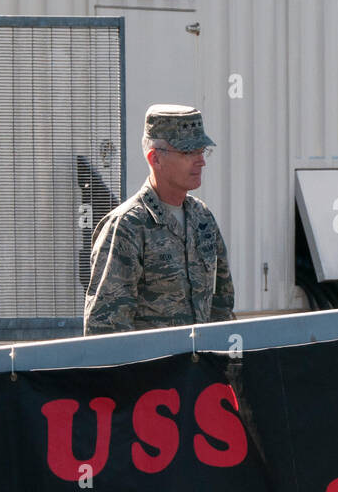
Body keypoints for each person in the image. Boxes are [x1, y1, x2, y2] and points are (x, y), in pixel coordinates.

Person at [84, 104, 234, 333]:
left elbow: (222, 305)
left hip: (200, 366)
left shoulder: (202, 218)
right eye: (188, 152)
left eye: (201, 151)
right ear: (155, 159)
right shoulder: (127, 226)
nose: (201, 161)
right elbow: (106, 328)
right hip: (153, 367)